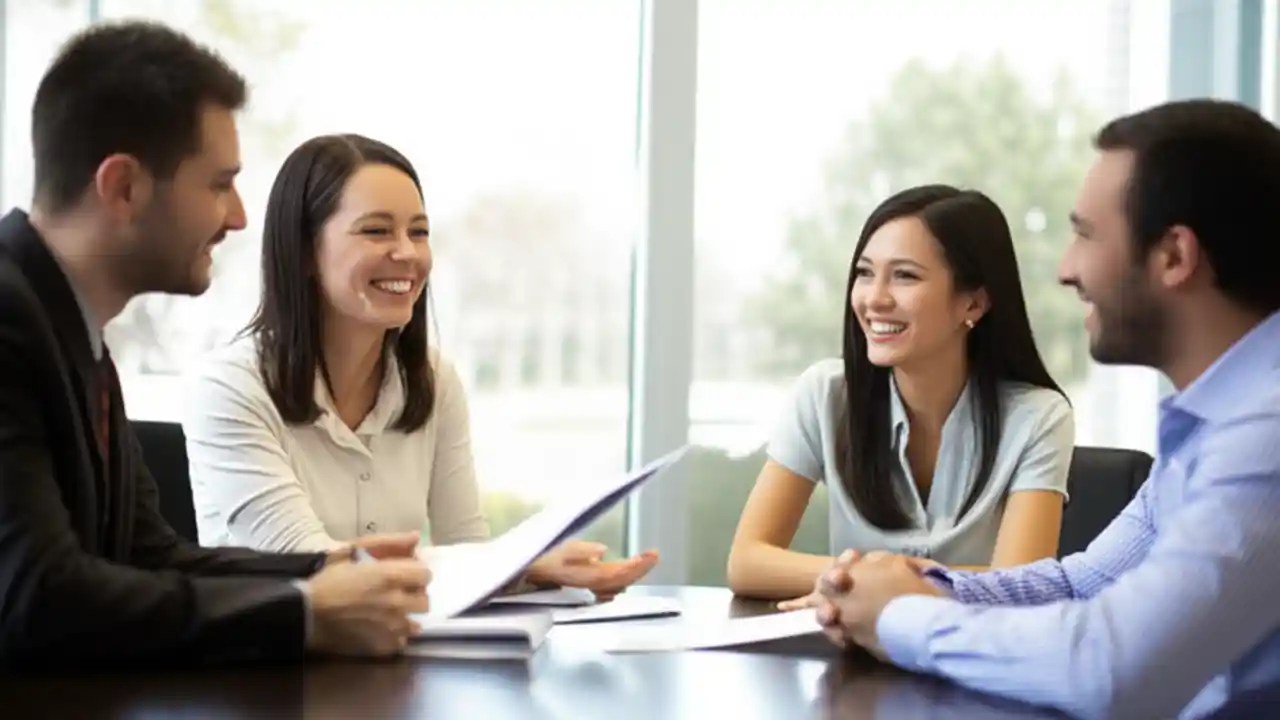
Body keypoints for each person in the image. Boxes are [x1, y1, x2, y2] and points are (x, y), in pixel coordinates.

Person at [813, 99, 1280, 719]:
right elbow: (1080, 582)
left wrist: (902, 616)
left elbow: (1109, 666)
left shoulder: (1266, 435)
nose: (1067, 269)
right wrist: (915, 585)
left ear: (1174, 256)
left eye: (1086, 235)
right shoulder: (1212, 426)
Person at [0, 22, 433, 666]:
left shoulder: (71, 332)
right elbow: (38, 595)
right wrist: (304, 613)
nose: (238, 216)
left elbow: (151, 557)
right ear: (123, 187)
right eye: (218, 183)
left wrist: (329, 563)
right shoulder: (9, 323)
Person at [183, 133, 656, 598]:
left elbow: (468, 550)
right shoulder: (230, 387)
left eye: (419, 232)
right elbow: (309, 562)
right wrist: (520, 562)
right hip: (269, 666)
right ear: (305, 251)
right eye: (376, 230)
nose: (407, 253)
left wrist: (530, 570)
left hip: (393, 658)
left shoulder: (433, 381)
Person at [727, 185, 1073, 603]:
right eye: (865, 273)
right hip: (848, 657)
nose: (874, 299)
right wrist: (882, 578)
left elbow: (1020, 584)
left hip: (971, 661)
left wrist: (870, 582)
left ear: (974, 303)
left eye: (905, 276)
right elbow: (747, 562)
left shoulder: (1038, 416)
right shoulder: (824, 396)